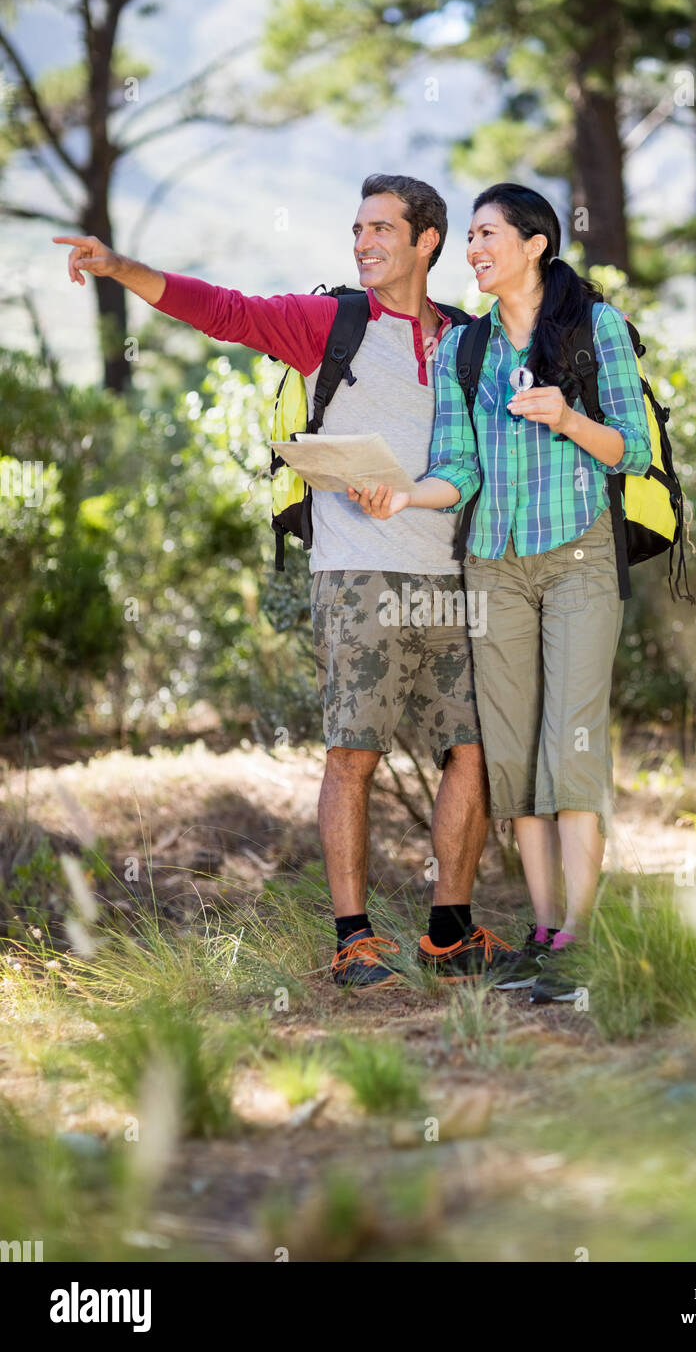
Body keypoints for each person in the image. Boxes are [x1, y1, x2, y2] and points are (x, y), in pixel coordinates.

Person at [53, 174, 524, 989]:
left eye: (382, 229)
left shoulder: (464, 337)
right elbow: (224, 310)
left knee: (475, 750)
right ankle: (354, 940)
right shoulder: (330, 322)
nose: (364, 242)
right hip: (356, 571)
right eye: (357, 229)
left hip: (453, 574)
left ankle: (450, 933)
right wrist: (122, 266)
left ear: (428, 242)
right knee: (353, 754)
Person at [349, 182, 652, 1002]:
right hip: (494, 564)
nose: (474, 249)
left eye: (488, 235)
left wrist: (566, 417)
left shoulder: (597, 328)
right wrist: (406, 494)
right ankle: (545, 935)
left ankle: (581, 941)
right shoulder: (464, 350)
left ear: (536, 243)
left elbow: (632, 449)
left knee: (572, 741)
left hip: (579, 555)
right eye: (471, 237)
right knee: (513, 750)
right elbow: (460, 468)